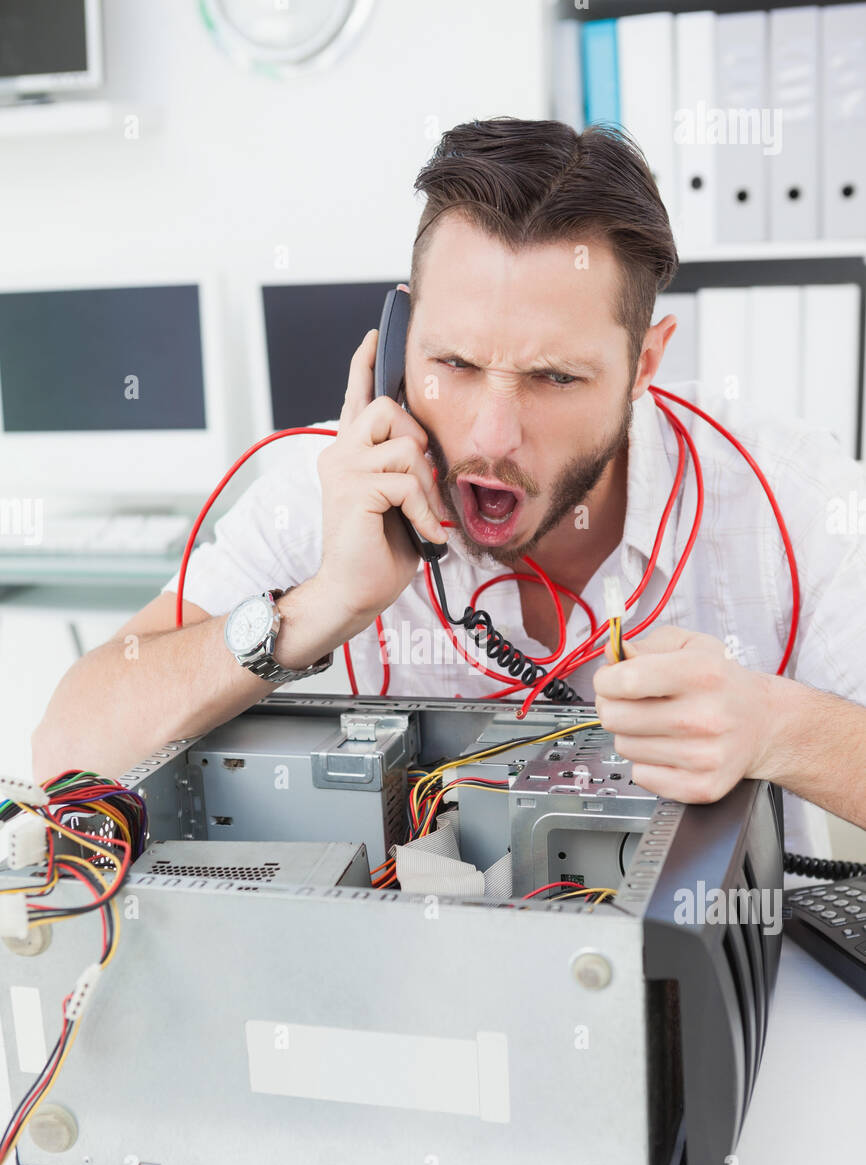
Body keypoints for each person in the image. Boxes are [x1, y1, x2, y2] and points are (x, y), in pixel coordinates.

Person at [32, 119, 866, 869]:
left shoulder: (787, 492)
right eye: (455, 364)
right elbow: (65, 749)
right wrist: (317, 608)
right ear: (400, 338)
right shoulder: (332, 487)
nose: (490, 436)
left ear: (645, 366)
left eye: (555, 376)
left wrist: (776, 727)